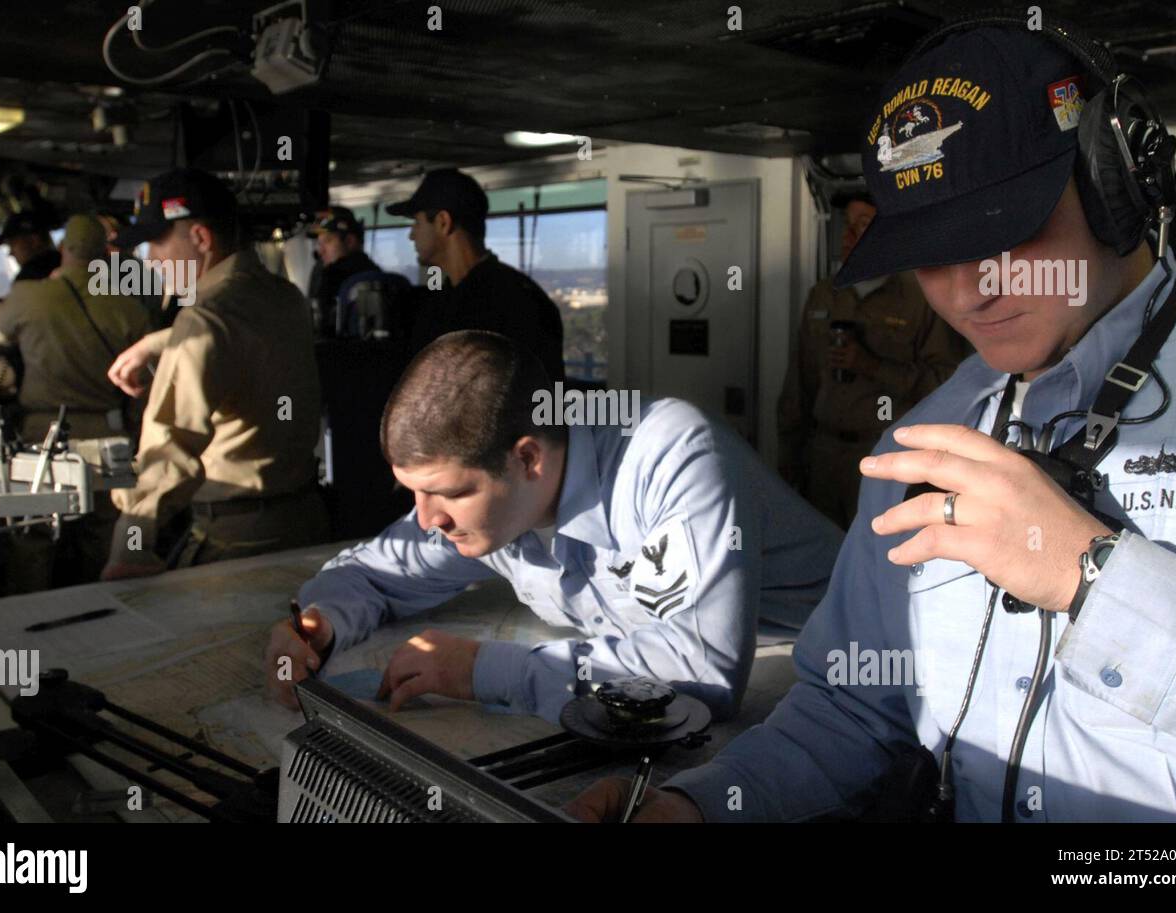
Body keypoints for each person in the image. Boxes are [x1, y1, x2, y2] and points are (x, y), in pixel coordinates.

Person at [567, 20, 1176, 823]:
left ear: (1113, 180)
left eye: (1004, 232)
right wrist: (697, 806)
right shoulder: (923, 441)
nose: (963, 294)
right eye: (929, 250)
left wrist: (1091, 578)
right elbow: (851, 710)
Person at [264, 330, 842, 724]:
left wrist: (482, 669)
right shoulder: (489, 504)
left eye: (447, 492)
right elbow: (371, 571)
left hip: (816, 675)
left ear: (527, 459)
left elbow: (704, 668)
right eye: (412, 492)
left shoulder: (671, 456)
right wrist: (318, 623)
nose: (427, 519)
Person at [101, 168, 329, 579]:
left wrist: (130, 545)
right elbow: (243, 334)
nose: (150, 261)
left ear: (201, 239)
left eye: (156, 244)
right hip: (305, 524)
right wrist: (158, 343)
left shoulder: (203, 321)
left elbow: (170, 448)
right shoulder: (285, 297)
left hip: (238, 539)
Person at [778, 193, 969, 528]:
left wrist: (872, 366)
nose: (848, 236)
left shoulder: (920, 298)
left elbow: (946, 383)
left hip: (885, 455)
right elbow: (801, 380)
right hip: (823, 454)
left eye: (862, 225)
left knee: (878, 560)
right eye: (846, 226)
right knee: (822, 558)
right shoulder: (824, 295)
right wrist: (788, 453)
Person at [0, 213, 152, 442]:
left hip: (43, 433)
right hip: (109, 433)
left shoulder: (29, 296)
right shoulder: (131, 310)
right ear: (104, 252)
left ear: (62, 247)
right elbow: (145, 381)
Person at [389, 168, 566, 381]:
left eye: (417, 223)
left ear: (443, 222)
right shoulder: (444, 295)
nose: (411, 235)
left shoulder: (515, 303)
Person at [306, 206, 385, 336]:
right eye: (319, 244)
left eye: (327, 241)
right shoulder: (375, 272)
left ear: (349, 241)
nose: (321, 251)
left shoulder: (332, 276)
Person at [0, 211, 60, 283]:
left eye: (12, 244)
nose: (10, 253)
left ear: (34, 240)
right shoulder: (64, 262)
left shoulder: (27, 279)